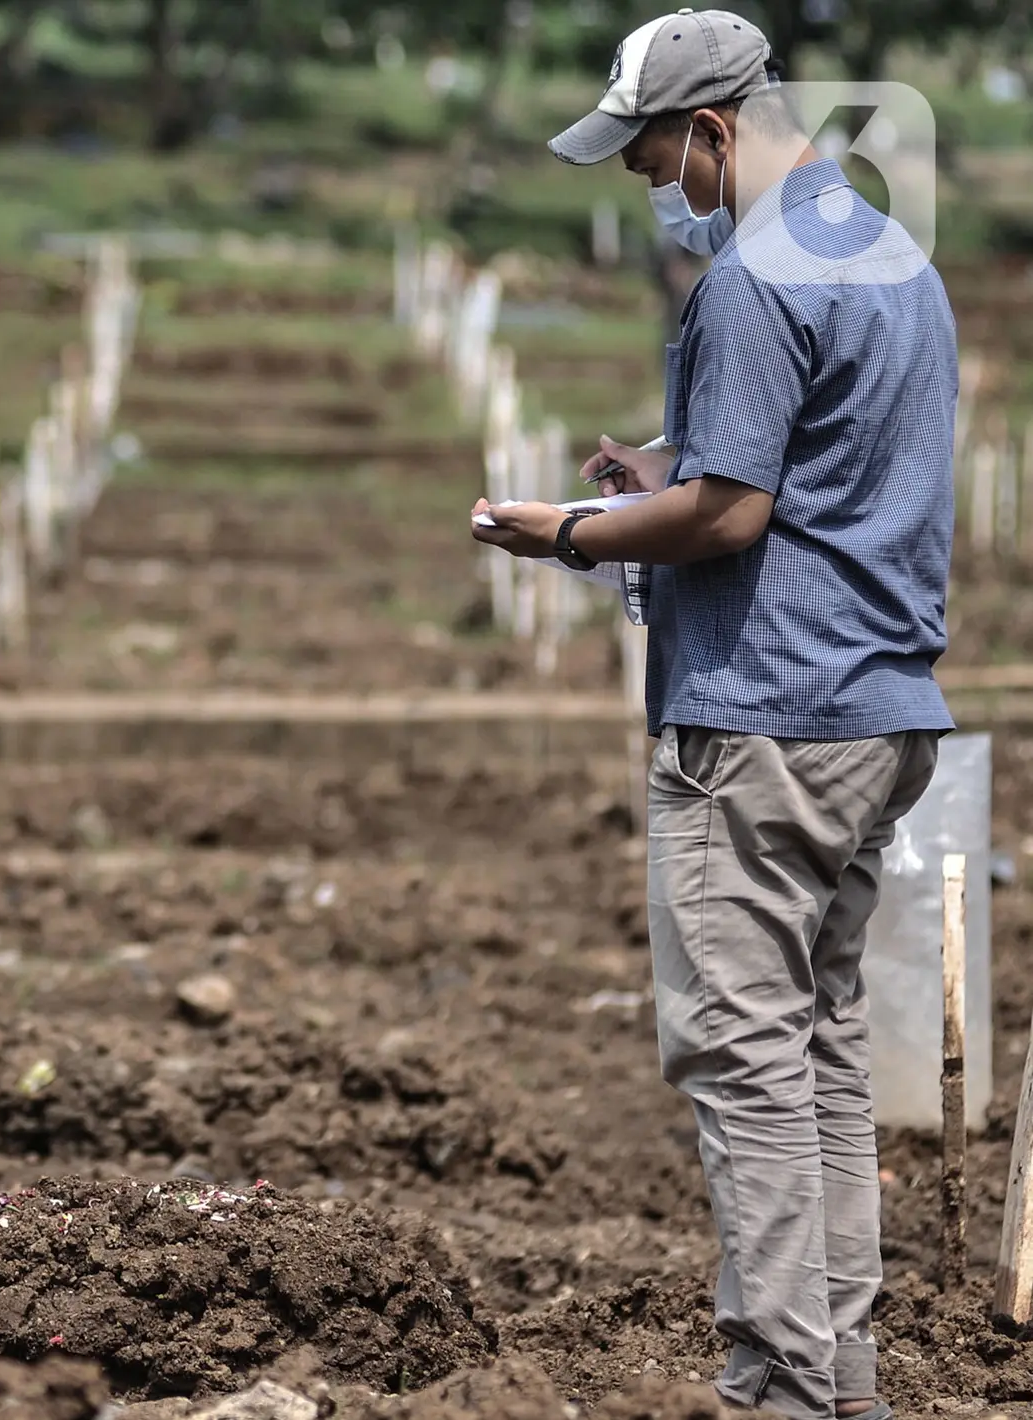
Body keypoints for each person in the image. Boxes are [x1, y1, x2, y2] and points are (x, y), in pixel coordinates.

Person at [469, 10, 957, 1419]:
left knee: (738, 1050)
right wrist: (653, 474)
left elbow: (729, 514)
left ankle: (780, 1388)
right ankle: (838, 1375)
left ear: (713, 133)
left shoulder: (751, 276)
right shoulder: (887, 252)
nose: (648, 188)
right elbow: (810, 463)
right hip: (876, 709)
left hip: (762, 716)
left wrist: (569, 528)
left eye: (648, 161)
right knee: (809, 1043)